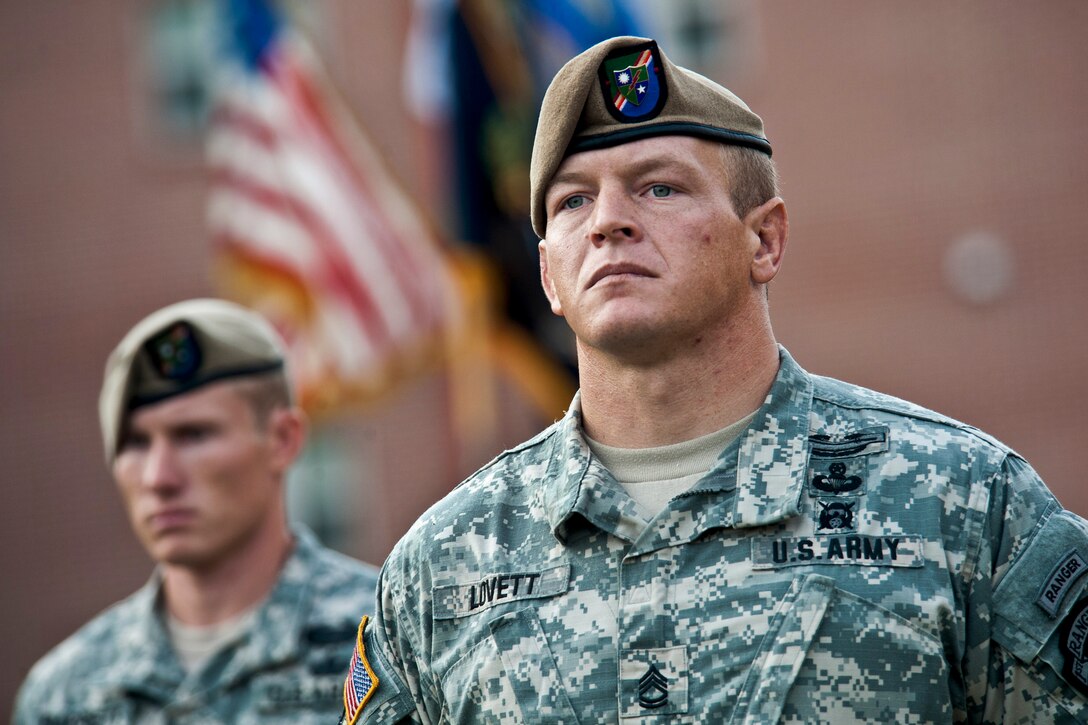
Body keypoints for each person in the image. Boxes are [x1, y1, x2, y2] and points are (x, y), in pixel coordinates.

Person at [341, 36, 1088, 724]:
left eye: (659, 188)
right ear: (547, 276)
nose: (607, 222)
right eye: (573, 200)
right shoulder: (442, 565)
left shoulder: (961, 503)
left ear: (764, 239)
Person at [14, 298, 379, 724]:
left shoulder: (388, 643)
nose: (158, 477)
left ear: (282, 440)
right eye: (135, 443)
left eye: (193, 435)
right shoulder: (66, 696)